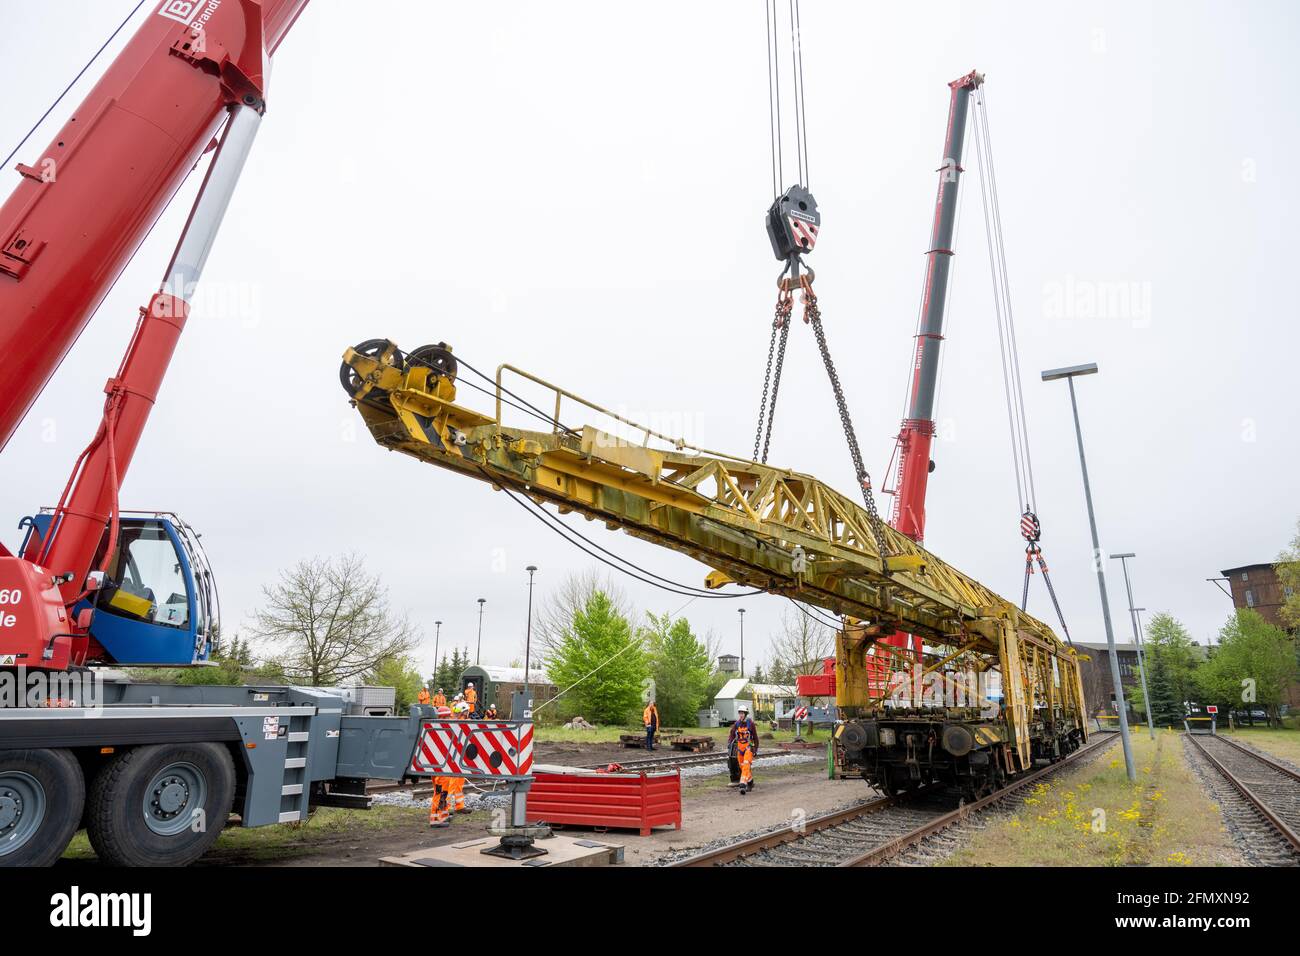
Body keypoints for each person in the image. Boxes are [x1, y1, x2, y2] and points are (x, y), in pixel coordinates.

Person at [728, 704, 758, 794]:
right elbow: (732, 734)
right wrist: (729, 743)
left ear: (745, 714)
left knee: (746, 765)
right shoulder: (737, 724)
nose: (740, 715)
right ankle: (750, 782)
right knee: (742, 766)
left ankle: (743, 784)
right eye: (739, 713)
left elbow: (756, 738)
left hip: (749, 747)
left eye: (742, 713)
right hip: (740, 748)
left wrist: (755, 749)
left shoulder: (750, 724)